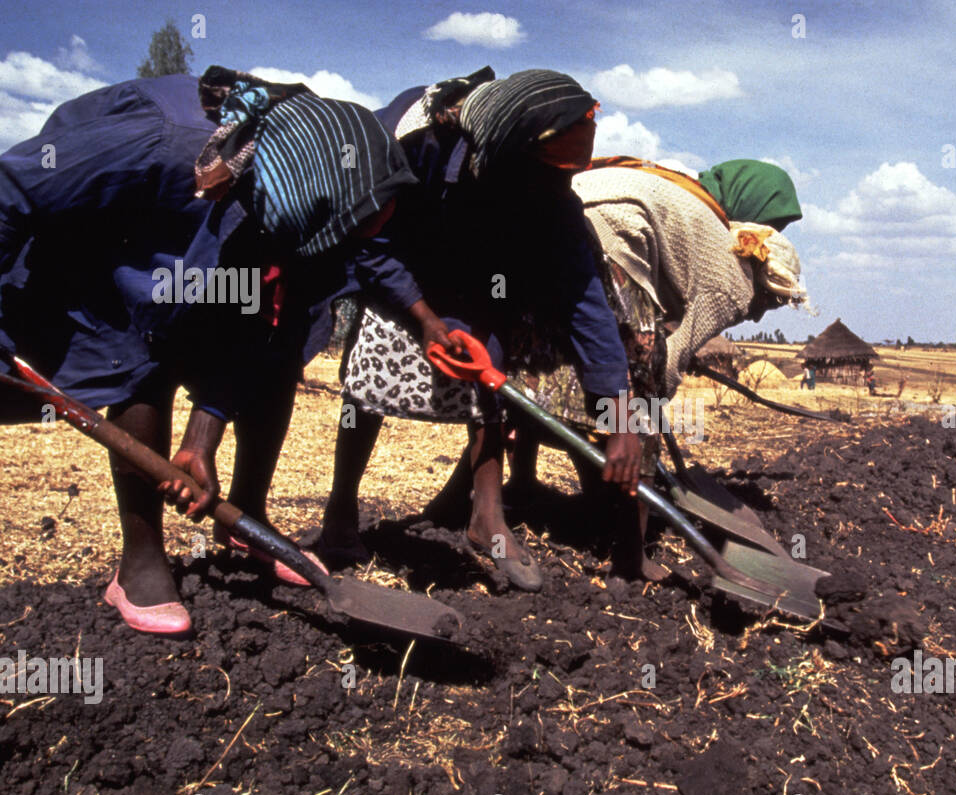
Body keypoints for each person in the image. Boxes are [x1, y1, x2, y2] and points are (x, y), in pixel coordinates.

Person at [0, 69, 418, 635]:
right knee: (141, 357)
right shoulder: (158, 139)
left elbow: (262, 320)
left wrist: (202, 439)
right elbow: (13, 186)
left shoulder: (328, 187)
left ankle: (248, 521)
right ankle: (140, 562)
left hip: (213, 231)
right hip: (93, 229)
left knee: (279, 339)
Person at [318, 69, 640, 592]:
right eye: (550, 175)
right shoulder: (412, 145)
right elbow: (372, 245)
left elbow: (586, 302)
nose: (560, 190)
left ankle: (485, 516)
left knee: (489, 363)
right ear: (506, 157)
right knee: (368, 370)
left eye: (567, 176)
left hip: (483, 266)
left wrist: (621, 417)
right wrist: (423, 318)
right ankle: (339, 509)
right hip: (401, 247)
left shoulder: (547, 196)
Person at [507, 158, 809, 578]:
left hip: (555, 214)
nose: (759, 317)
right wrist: (649, 396)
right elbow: (665, 361)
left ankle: (521, 486)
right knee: (641, 402)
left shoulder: (713, 229)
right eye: (772, 302)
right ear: (764, 279)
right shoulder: (736, 284)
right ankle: (632, 556)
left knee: (542, 358)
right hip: (612, 238)